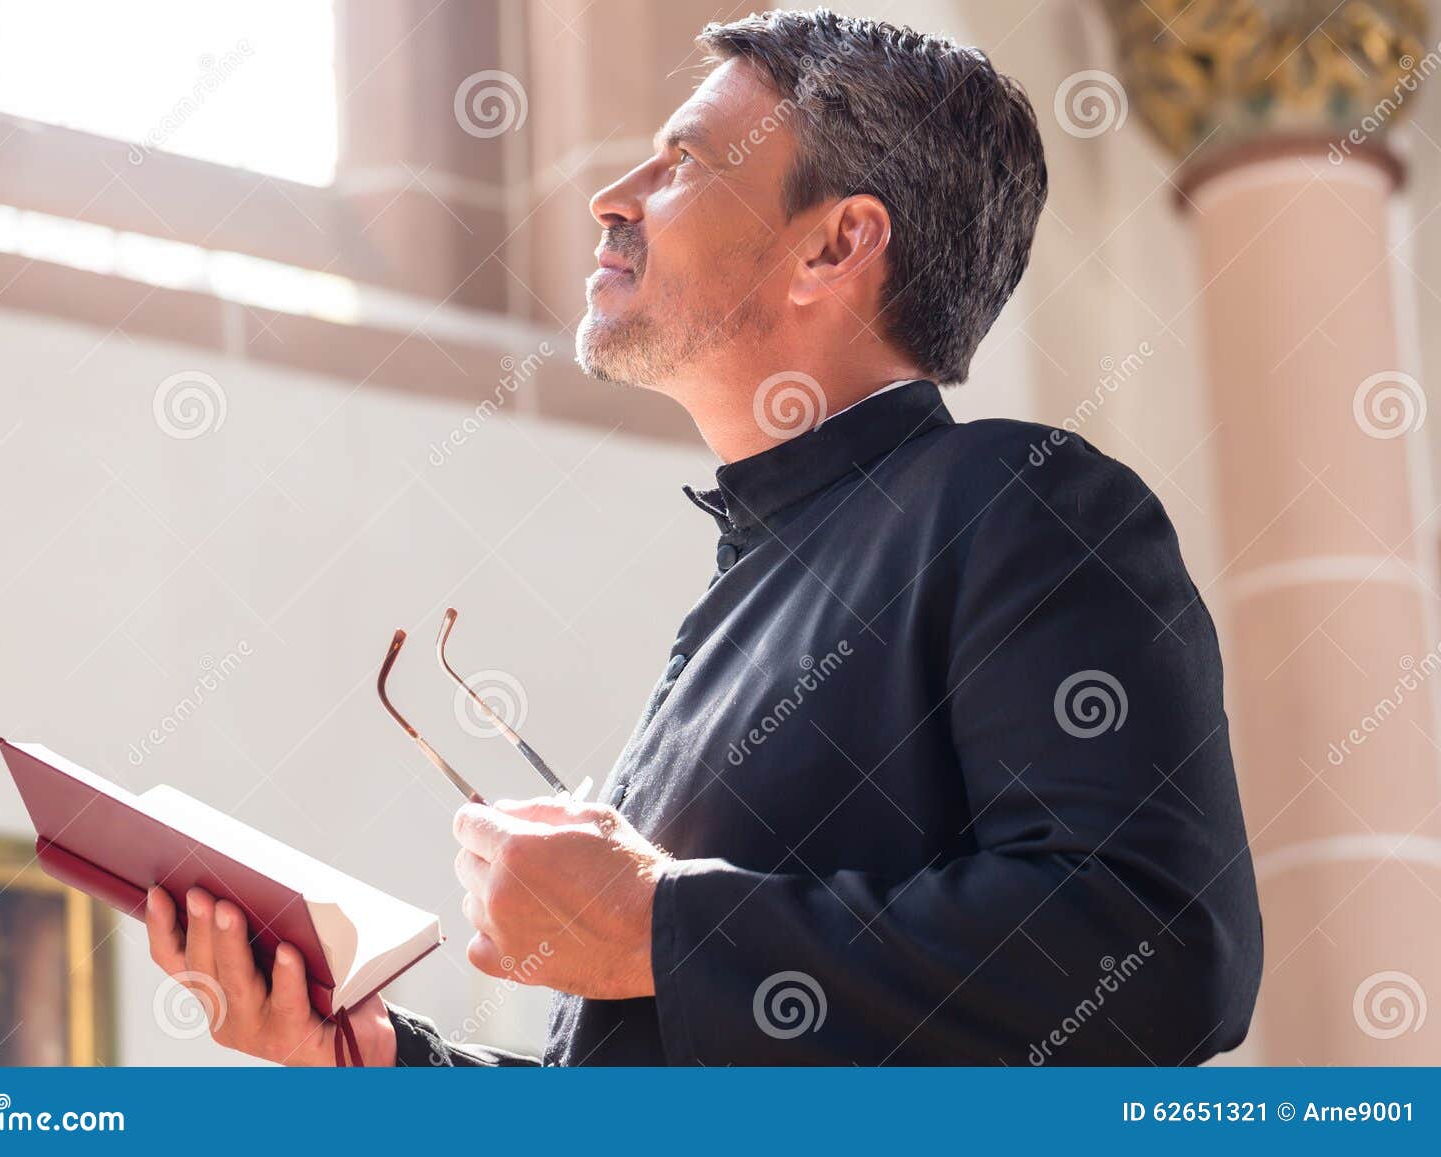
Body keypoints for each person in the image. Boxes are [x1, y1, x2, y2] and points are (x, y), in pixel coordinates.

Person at [147, 8, 1263, 1067]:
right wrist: (376, 1060)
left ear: (836, 244)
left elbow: (1160, 948)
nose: (610, 199)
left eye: (679, 162)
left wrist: (658, 921)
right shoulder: (734, 602)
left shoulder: (1014, 502)